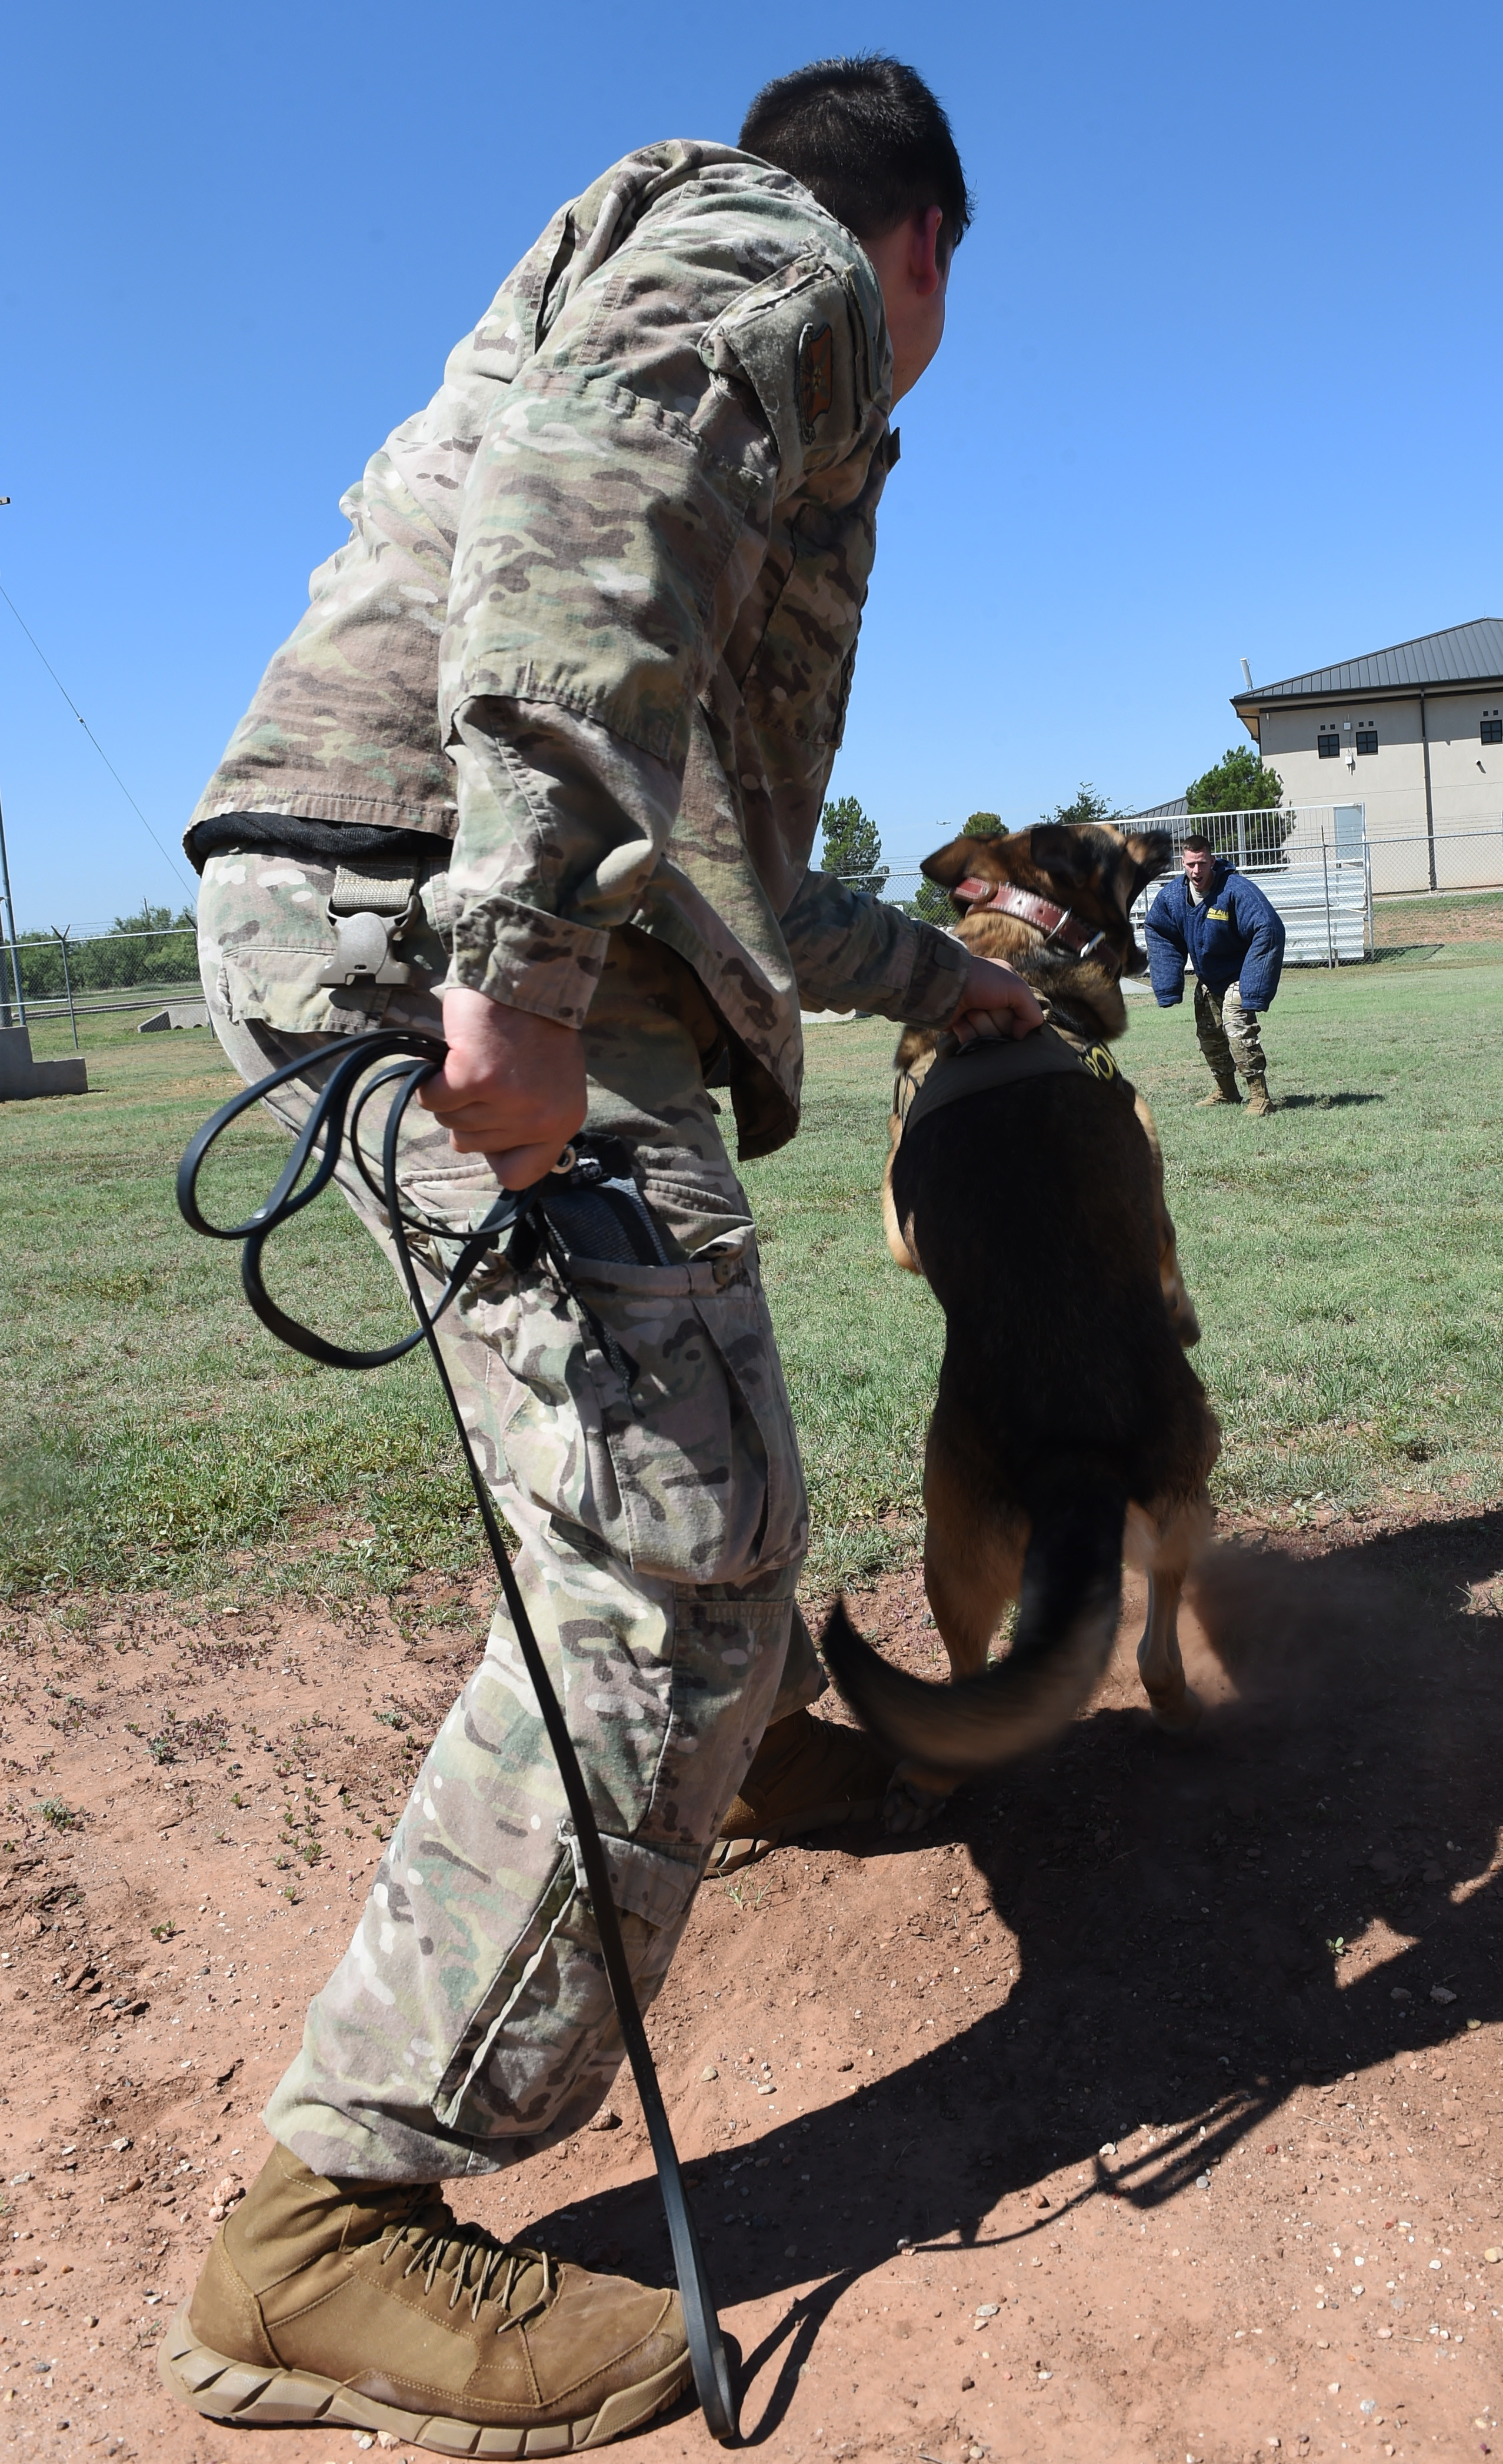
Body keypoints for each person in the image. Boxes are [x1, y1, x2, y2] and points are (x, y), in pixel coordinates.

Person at [161, 58, 1042, 2450]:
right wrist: (522, 962)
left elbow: (727, 859)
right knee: (672, 1543)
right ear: (927, 245)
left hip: (419, 904)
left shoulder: (701, 276)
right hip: (436, 937)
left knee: (670, 1495)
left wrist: (925, 971)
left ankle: (726, 1768)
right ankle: (327, 2234)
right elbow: (593, 507)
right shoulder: (792, 263)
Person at [1142, 830, 1285, 1113]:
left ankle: (1260, 1097)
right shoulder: (1173, 897)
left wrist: (1254, 984)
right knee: (1209, 1035)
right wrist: (1169, 984)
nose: (1197, 871)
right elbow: (1159, 930)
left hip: (1239, 975)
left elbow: (1269, 927)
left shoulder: (1235, 890)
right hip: (1208, 978)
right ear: (1182, 863)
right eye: (1191, 865)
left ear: (1212, 861)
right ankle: (1226, 1091)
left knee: (1238, 1029)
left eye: (1202, 863)